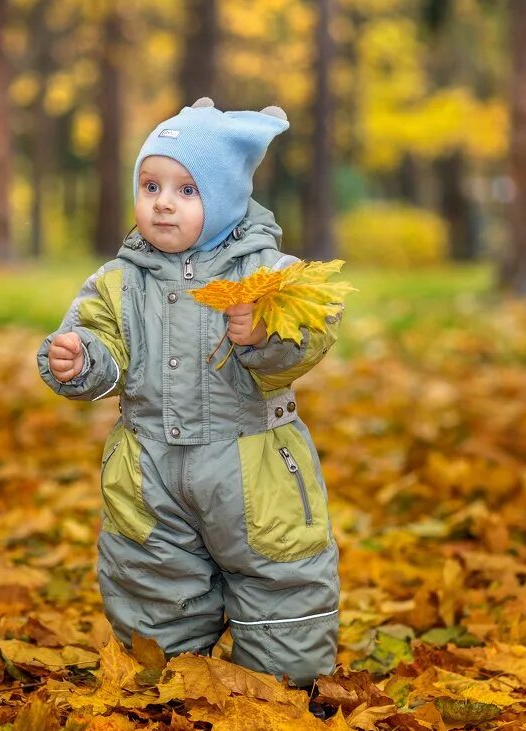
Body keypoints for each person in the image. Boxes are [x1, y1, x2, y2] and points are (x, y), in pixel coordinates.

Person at [35, 98, 342, 693]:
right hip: (149, 469)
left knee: (280, 576)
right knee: (153, 583)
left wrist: (262, 335)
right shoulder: (118, 280)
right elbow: (101, 341)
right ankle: (168, 685)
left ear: (226, 198)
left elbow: (309, 337)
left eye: (186, 189)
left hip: (253, 468)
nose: (163, 202)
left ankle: (278, 692)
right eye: (150, 185)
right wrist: (79, 362)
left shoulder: (271, 275)